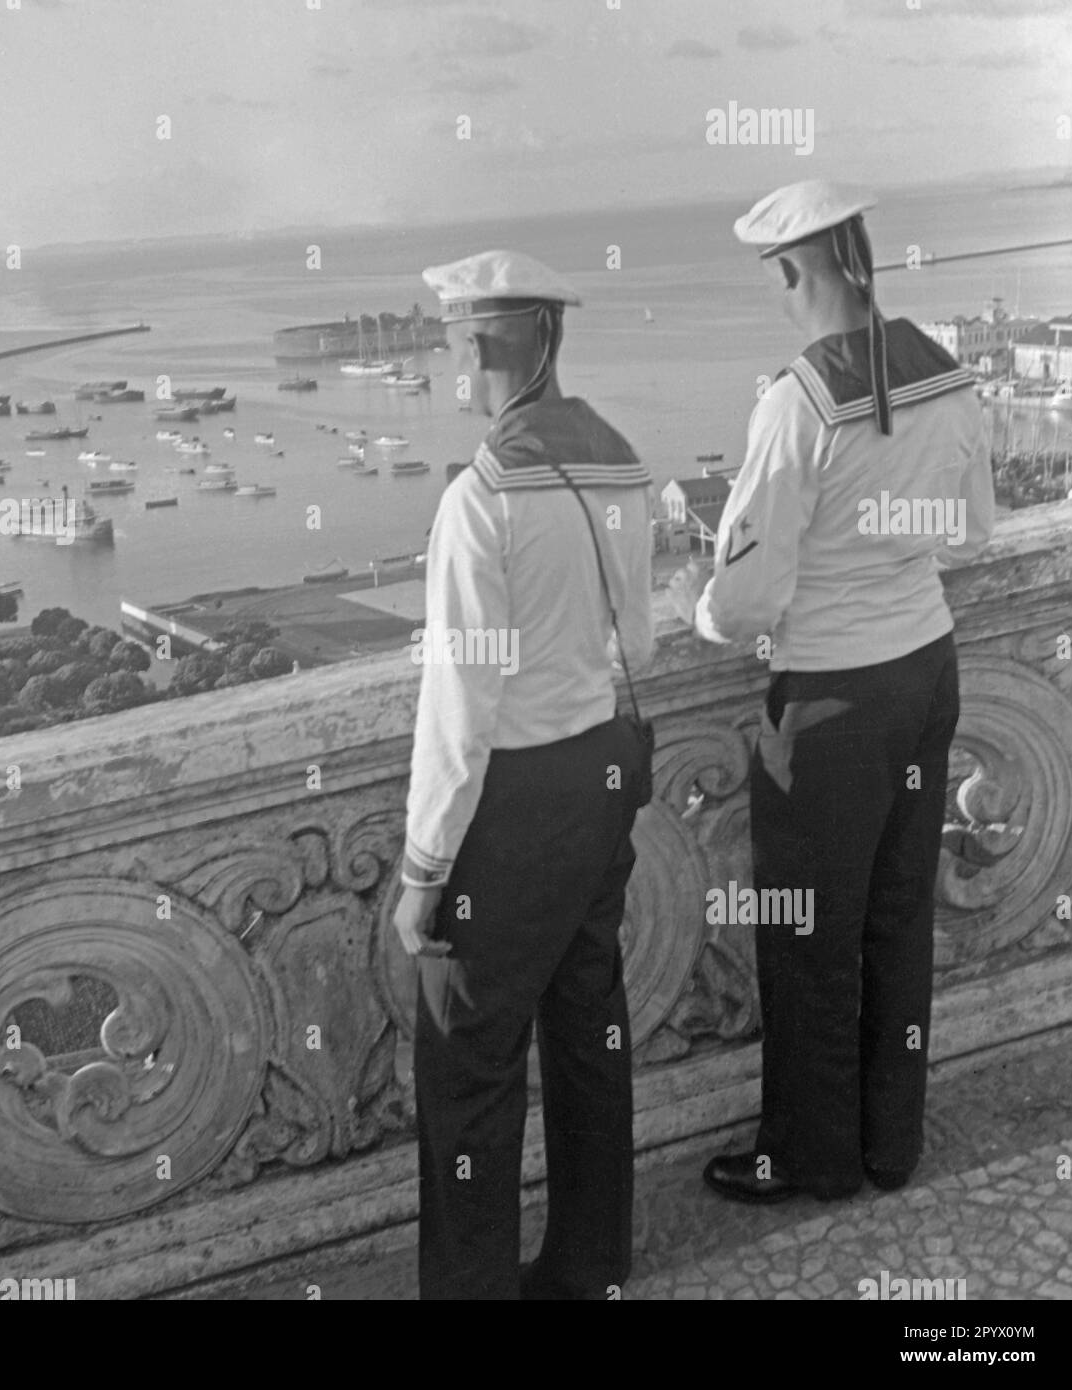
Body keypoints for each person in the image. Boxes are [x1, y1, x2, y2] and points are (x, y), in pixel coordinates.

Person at [667, 181, 994, 1203]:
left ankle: (810, 1154)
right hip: (924, 672)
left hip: (831, 706)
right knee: (899, 913)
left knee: (809, 934)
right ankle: (890, 1141)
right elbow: (972, 534)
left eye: (775, 277)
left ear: (794, 270)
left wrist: (693, 605)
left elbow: (750, 598)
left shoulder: (797, 401)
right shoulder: (946, 371)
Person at [392, 249, 655, 1298]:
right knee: (589, 1023)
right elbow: (636, 630)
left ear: (498, 341)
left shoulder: (480, 495)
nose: (454, 349)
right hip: (602, 772)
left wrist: (422, 871)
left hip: (515, 800)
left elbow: (461, 706)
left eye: (461, 333)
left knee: (469, 1063)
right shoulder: (623, 460)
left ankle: (470, 1287)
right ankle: (592, 1264)